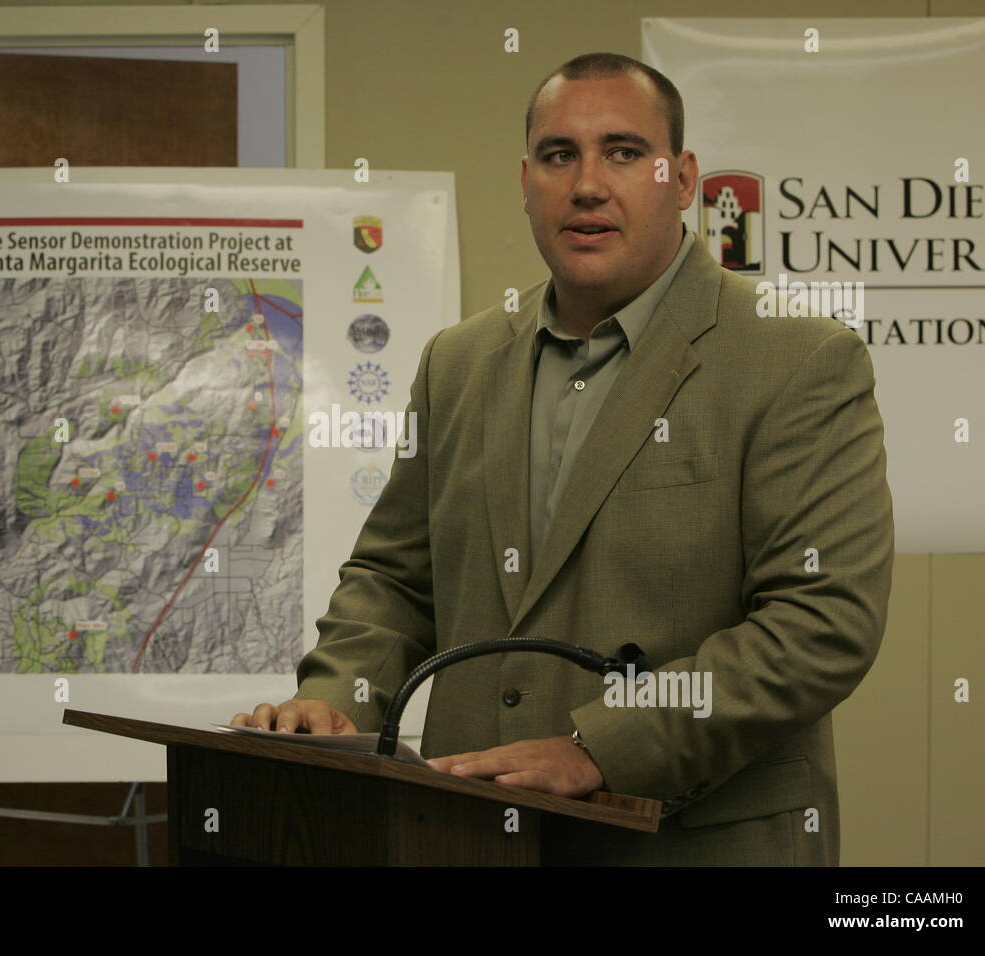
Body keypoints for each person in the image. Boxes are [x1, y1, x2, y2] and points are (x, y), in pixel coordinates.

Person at [232, 52, 894, 865]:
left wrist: (599, 749)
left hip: (689, 844)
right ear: (525, 181)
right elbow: (395, 578)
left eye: (623, 152)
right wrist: (333, 700)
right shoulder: (459, 362)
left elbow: (821, 625)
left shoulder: (797, 359)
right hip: (464, 836)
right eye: (558, 155)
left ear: (682, 178)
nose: (587, 184)